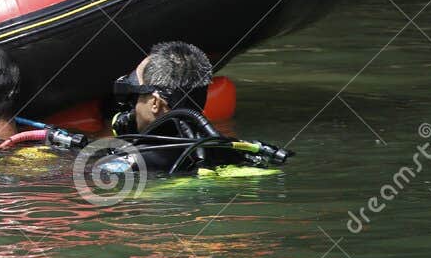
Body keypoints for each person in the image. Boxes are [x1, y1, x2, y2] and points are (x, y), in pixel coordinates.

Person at [102, 41, 291, 176]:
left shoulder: (128, 164)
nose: (131, 108)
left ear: (155, 103)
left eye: (134, 98)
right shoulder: (233, 151)